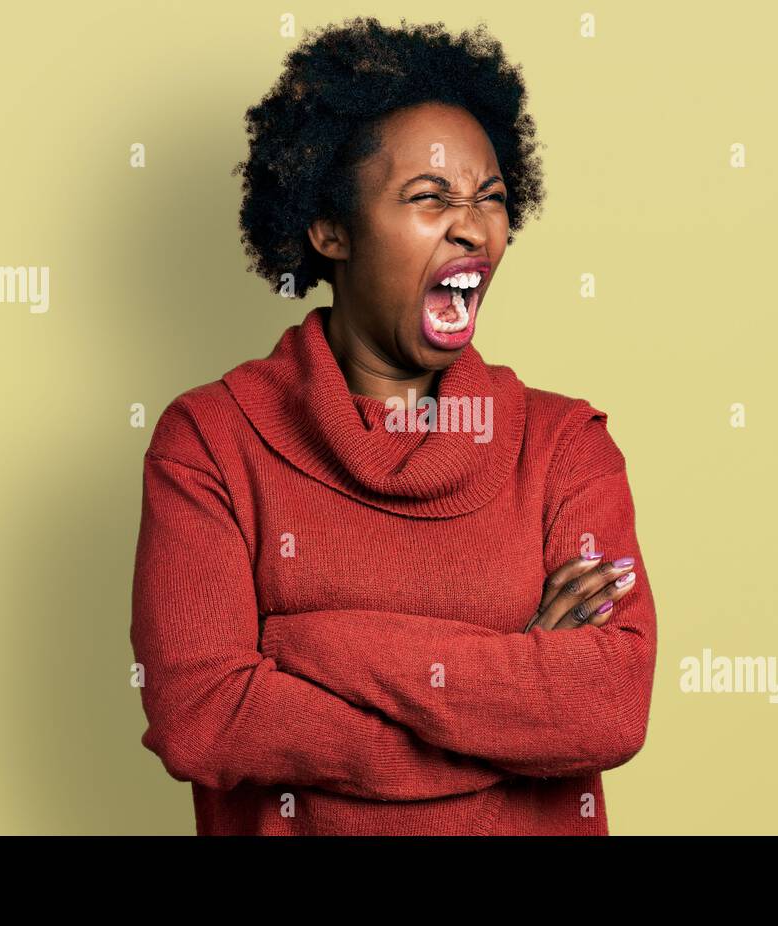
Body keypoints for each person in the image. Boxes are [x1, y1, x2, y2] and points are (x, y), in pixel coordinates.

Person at [130, 16, 657, 835]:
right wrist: (511, 699)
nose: (473, 226)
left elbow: (610, 706)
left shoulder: (565, 449)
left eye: (491, 200)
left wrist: (305, 649)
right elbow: (201, 716)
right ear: (328, 229)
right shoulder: (210, 443)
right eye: (428, 198)